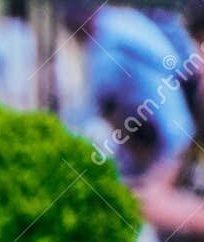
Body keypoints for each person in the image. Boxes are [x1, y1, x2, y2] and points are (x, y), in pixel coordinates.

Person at [68, 4, 195, 162]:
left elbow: (98, 90)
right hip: (163, 84)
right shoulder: (118, 19)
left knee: (174, 139)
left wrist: (71, 127)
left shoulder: (106, 32)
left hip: (160, 84)